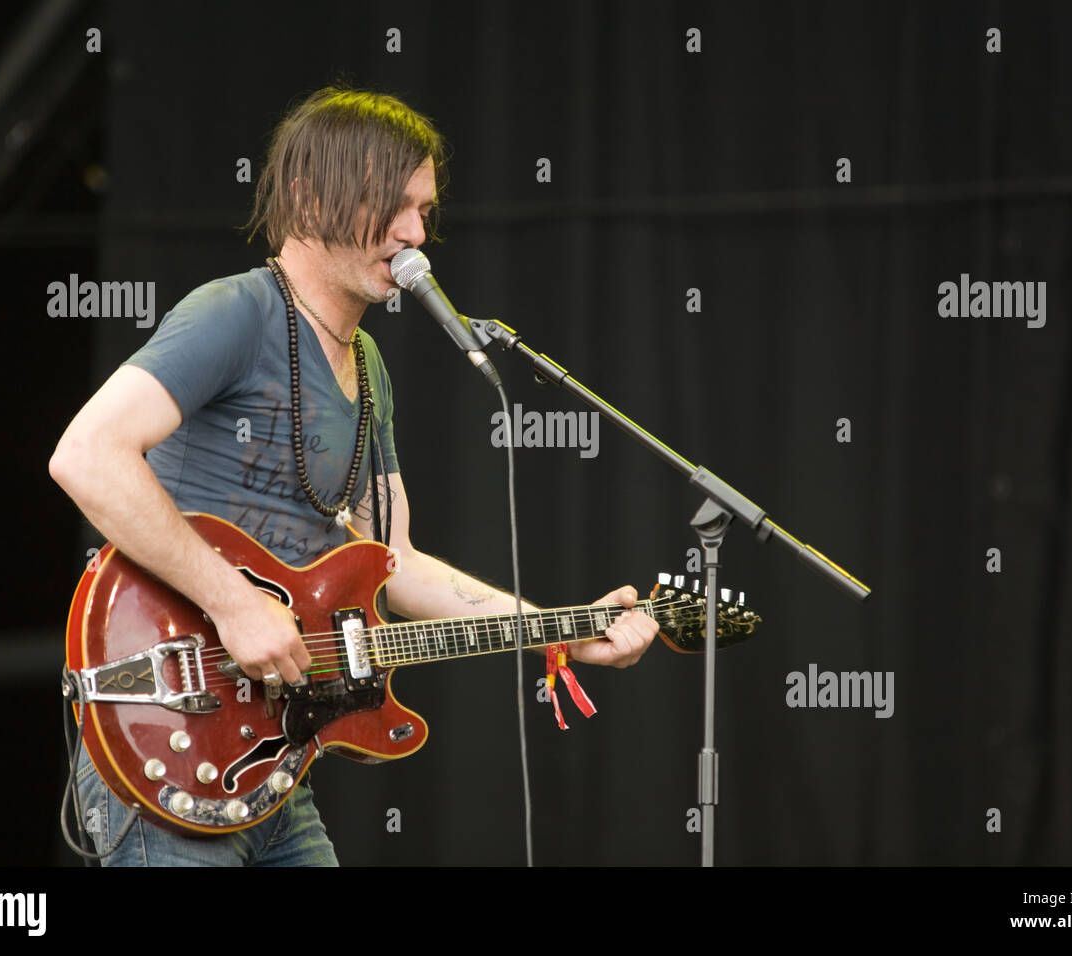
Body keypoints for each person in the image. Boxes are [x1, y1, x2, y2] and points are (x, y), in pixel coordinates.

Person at [48, 86, 658, 866]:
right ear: (309, 198)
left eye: (423, 210)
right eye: (393, 207)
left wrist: (558, 628)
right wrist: (234, 604)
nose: (415, 234)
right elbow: (86, 454)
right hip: (167, 724)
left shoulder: (367, 367)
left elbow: (397, 561)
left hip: (271, 758)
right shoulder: (234, 312)